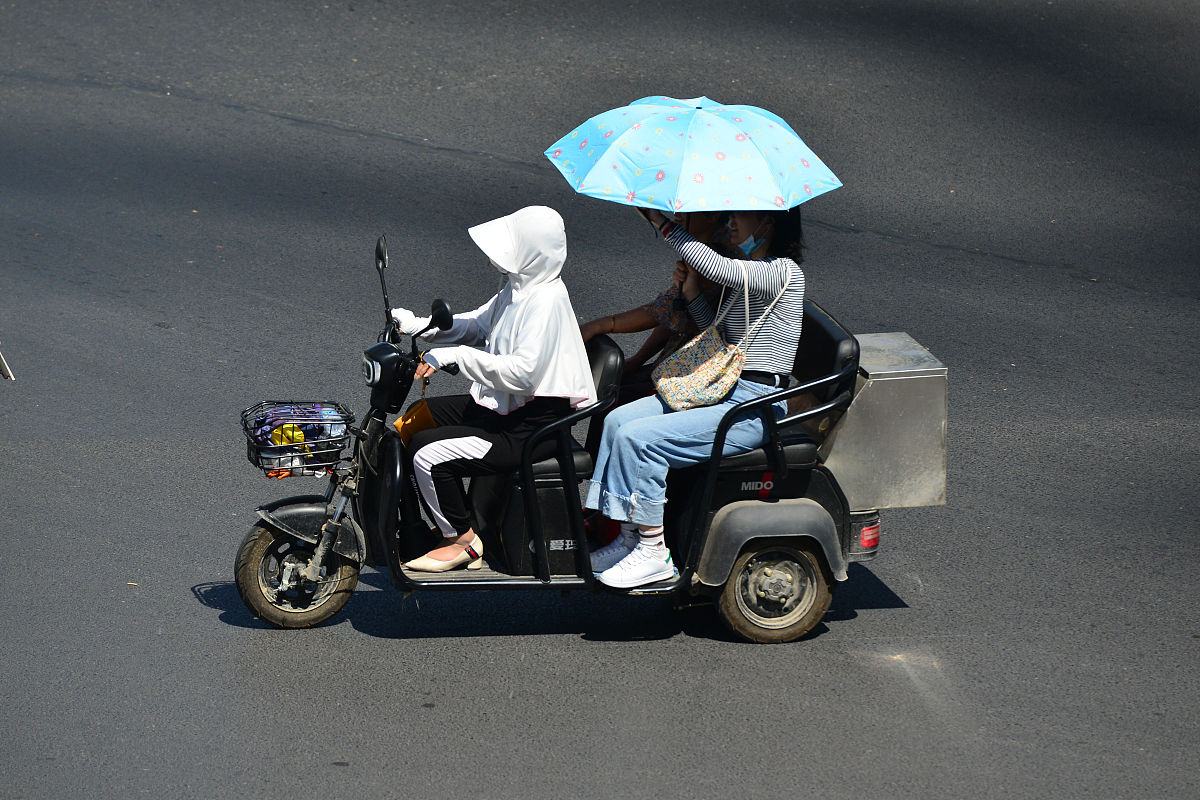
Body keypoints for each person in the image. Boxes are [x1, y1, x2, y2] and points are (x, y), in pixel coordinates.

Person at [585, 205, 807, 588]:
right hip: (719, 385)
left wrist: (662, 223)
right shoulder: (748, 272)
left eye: (740, 217)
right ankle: (629, 538)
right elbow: (717, 341)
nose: (730, 223)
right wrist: (690, 294)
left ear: (768, 223)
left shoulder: (781, 272)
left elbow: (718, 268)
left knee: (641, 441)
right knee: (616, 420)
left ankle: (655, 552)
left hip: (750, 406)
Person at [389, 206, 597, 572]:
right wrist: (419, 327)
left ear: (532, 250)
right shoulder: (520, 287)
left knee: (427, 453)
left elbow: (522, 375)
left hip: (528, 425)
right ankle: (428, 520)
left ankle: (463, 541)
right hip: (508, 407)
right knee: (416, 421)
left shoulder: (545, 302)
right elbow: (475, 324)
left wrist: (455, 357)